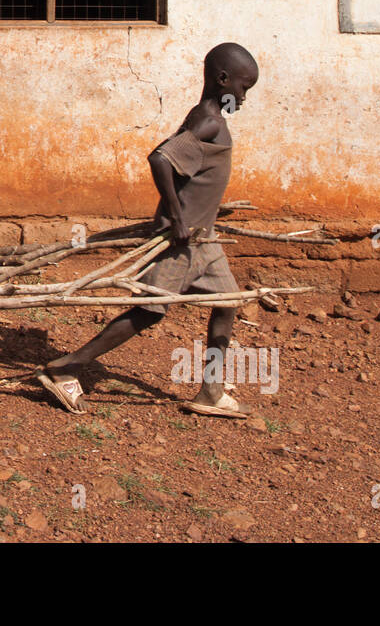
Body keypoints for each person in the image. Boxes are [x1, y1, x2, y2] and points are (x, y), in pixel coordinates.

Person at [37, 42, 259, 419]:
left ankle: (211, 391)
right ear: (222, 79)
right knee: (149, 312)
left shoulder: (207, 117)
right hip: (184, 245)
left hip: (205, 241)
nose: (244, 96)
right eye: (243, 87)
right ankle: (64, 367)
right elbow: (161, 158)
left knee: (227, 303)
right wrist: (176, 216)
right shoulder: (210, 121)